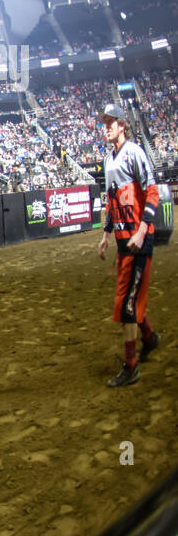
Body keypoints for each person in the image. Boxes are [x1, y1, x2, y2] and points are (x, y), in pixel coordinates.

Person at [97, 103, 162, 387]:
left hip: (139, 241)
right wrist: (106, 234)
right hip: (124, 243)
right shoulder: (108, 160)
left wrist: (142, 231)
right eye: (105, 122)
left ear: (123, 125)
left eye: (111, 122)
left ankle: (131, 365)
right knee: (129, 299)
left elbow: (152, 190)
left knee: (126, 305)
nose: (106, 126)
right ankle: (149, 337)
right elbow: (113, 201)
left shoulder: (134, 152)